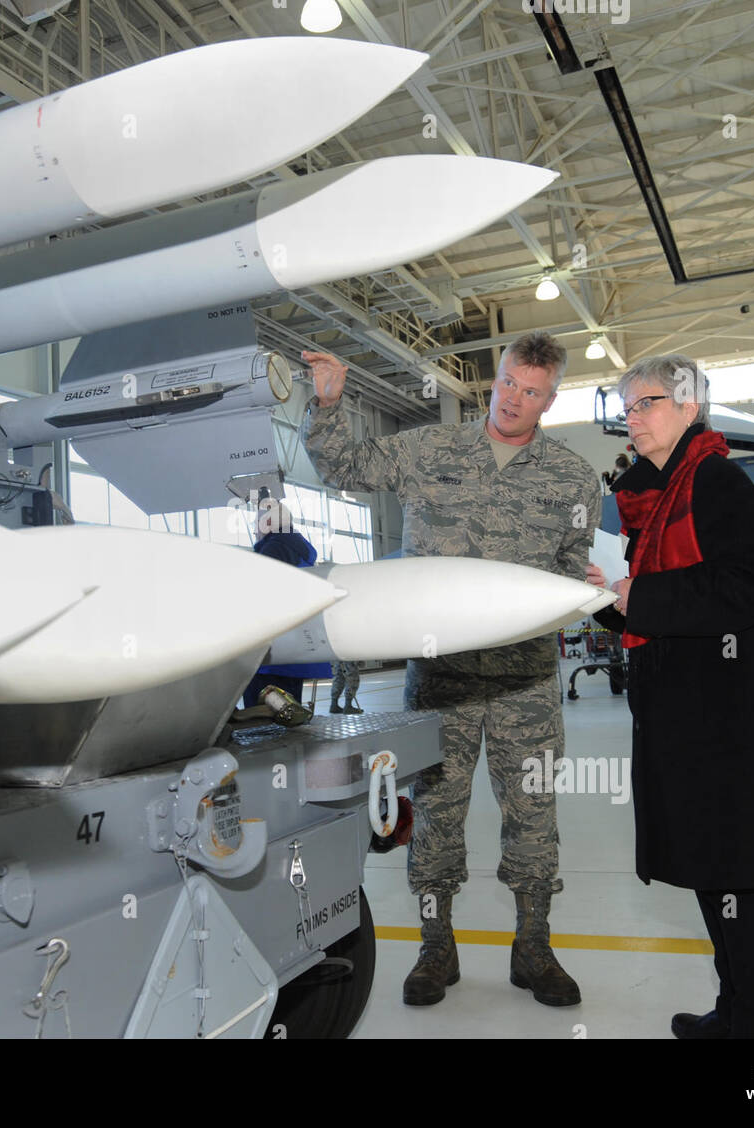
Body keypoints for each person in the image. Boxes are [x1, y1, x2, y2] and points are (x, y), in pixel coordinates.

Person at [301, 332, 599, 1008]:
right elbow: (343, 466)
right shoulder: (431, 449)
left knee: (534, 819)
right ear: (495, 380)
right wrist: (328, 404)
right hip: (441, 683)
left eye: (531, 392)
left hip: (526, 683)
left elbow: (568, 573)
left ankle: (534, 948)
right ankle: (437, 949)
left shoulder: (573, 478)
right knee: (435, 819)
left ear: (551, 398)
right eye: (508, 386)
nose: (514, 401)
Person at [586, 354, 754, 1039]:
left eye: (646, 402)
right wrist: (601, 595)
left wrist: (639, 594)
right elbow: (645, 610)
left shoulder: (717, 482)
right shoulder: (645, 498)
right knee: (715, 872)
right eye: (627, 407)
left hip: (724, 718)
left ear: (689, 407)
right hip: (678, 713)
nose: (633, 417)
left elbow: (749, 588)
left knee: (739, 873)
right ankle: (736, 1012)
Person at [241, 498, 331, 710]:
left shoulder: (275, 549)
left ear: (269, 524)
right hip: (295, 653)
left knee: (260, 720)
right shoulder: (298, 550)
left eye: (257, 524)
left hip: (272, 657)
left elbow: (258, 596)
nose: (254, 531)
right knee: (288, 713)